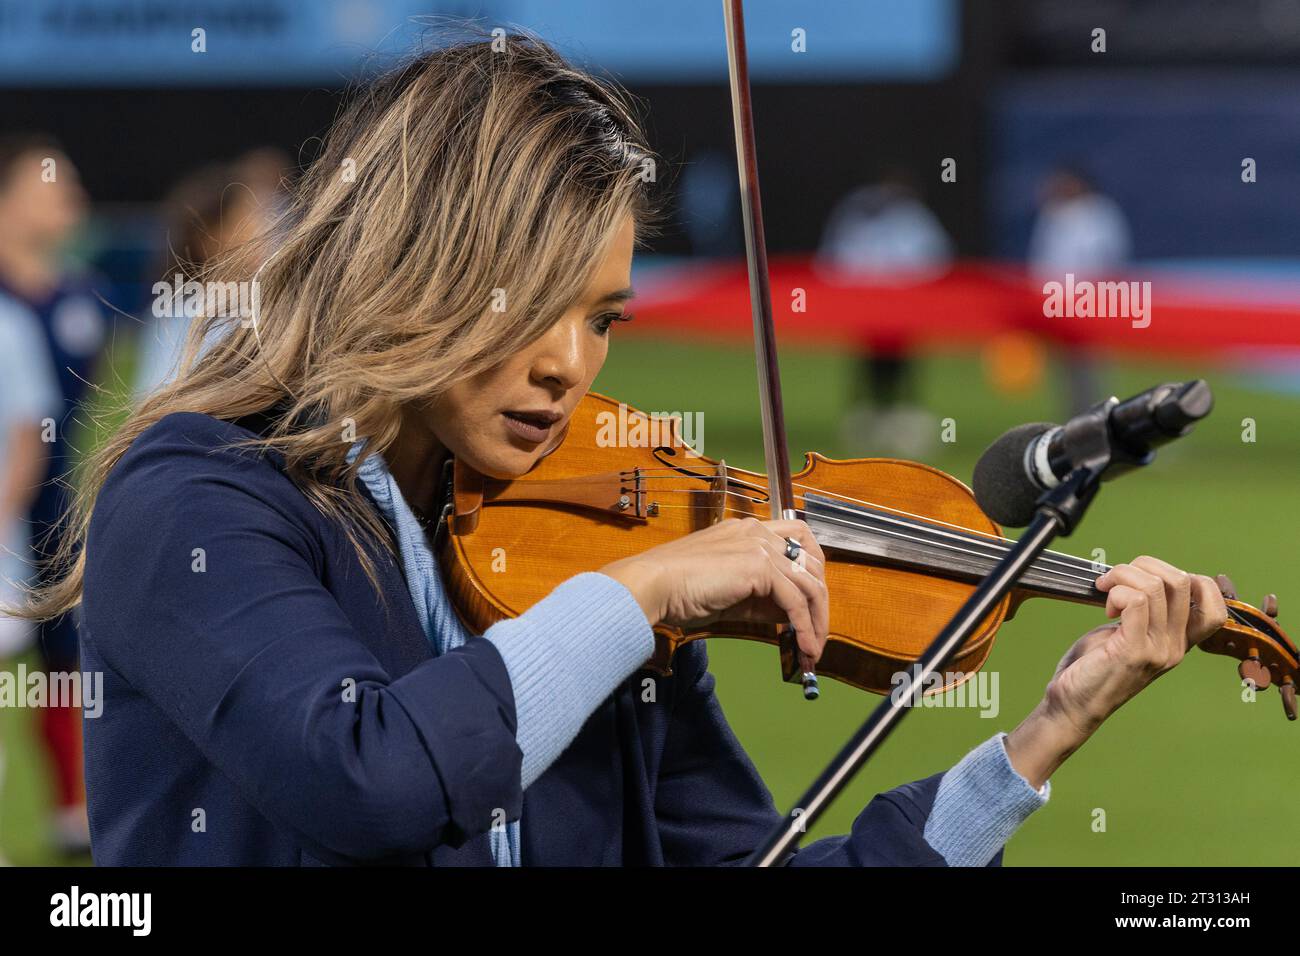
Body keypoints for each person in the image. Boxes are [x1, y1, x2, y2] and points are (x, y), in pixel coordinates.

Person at [8, 35, 1227, 867]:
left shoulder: (584, 560)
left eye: (601, 318)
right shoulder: (195, 502)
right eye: (532, 301)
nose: (571, 365)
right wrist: (633, 596)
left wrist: (1036, 743)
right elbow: (364, 774)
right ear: (415, 261)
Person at [0, 133, 106, 856]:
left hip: (54, 502)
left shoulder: (80, 297)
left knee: (66, 659)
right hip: (9, 498)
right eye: (54, 187)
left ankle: (74, 808)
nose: (72, 203)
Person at [816, 172, 953, 458]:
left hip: (902, 309)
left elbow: (934, 257)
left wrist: (903, 285)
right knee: (867, 363)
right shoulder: (857, 217)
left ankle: (903, 420)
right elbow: (836, 258)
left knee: (903, 363)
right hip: (868, 307)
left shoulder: (915, 220)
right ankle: (867, 420)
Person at [1027, 165, 1134, 415]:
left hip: (1087, 300)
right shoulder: (1054, 214)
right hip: (1055, 300)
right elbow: (1045, 259)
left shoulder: (1099, 214)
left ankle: (1103, 416)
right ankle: (1075, 419)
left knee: (1089, 364)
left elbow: (1107, 259)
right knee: (1065, 368)